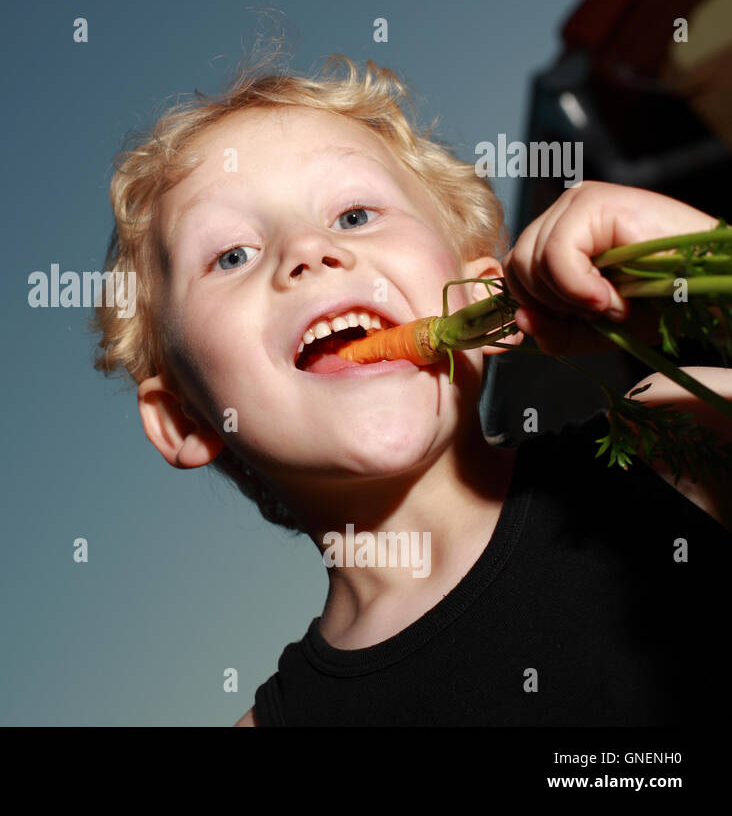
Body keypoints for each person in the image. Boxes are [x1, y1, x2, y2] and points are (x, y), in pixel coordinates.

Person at [87, 53, 732, 726]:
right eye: (231, 256)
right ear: (185, 420)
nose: (307, 249)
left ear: (486, 299)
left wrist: (699, 262)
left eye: (356, 214)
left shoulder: (681, 443)